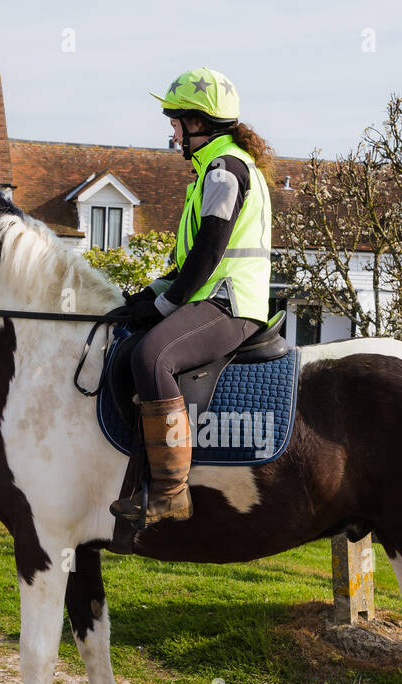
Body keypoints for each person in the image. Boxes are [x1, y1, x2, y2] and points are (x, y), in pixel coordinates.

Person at [108, 67, 278, 525]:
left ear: (200, 123)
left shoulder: (225, 171)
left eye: (176, 121)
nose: (173, 132)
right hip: (212, 295)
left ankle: (170, 492)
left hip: (229, 303)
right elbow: (187, 265)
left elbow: (207, 256)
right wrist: (145, 295)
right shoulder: (214, 170)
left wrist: (164, 306)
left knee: (152, 358)